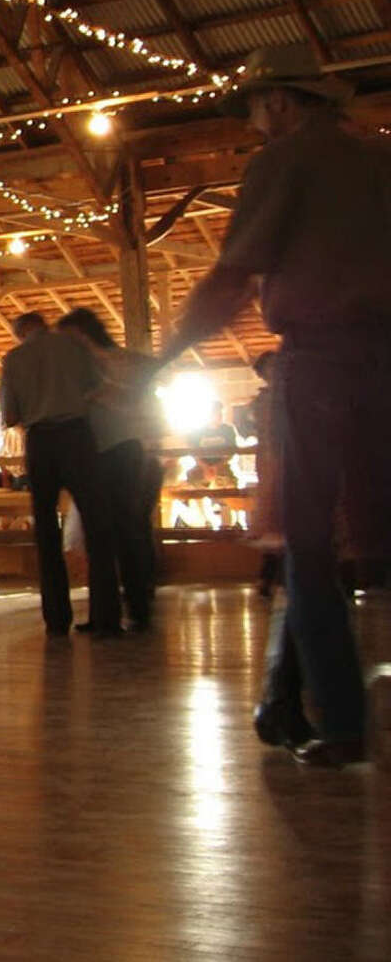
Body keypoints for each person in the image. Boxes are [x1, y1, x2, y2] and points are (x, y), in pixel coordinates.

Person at [162, 41, 388, 768]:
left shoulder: (283, 162)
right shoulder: (379, 160)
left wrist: (161, 359)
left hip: (319, 366)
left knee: (307, 541)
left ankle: (343, 719)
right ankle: (280, 700)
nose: (256, 123)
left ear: (282, 102)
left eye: (258, 108)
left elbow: (232, 281)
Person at [0, 312, 118, 636]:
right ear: (44, 324)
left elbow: (10, 416)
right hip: (78, 436)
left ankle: (56, 617)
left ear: (21, 332)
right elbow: (98, 388)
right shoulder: (72, 346)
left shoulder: (13, 359)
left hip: (40, 440)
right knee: (97, 525)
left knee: (46, 530)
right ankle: (106, 616)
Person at [59, 309, 163, 631]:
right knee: (102, 533)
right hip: (97, 452)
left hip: (124, 450)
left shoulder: (120, 361)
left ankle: (138, 603)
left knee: (127, 528)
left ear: (81, 333)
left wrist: (95, 393)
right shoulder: (83, 369)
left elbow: (137, 404)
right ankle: (108, 610)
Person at [248, 353, 281, 598]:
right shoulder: (262, 401)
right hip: (272, 462)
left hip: (290, 460)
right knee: (274, 516)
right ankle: (268, 576)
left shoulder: (292, 394)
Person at [189, 402, 239, 483]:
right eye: (217, 414)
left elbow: (232, 451)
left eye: (221, 414)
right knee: (193, 481)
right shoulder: (197, 432)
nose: (220, 416)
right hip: (201, 466)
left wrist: (218, 466)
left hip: (223, 465)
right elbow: (194, 453)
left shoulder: (228, 430)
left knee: (229, 483)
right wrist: (205, 467)